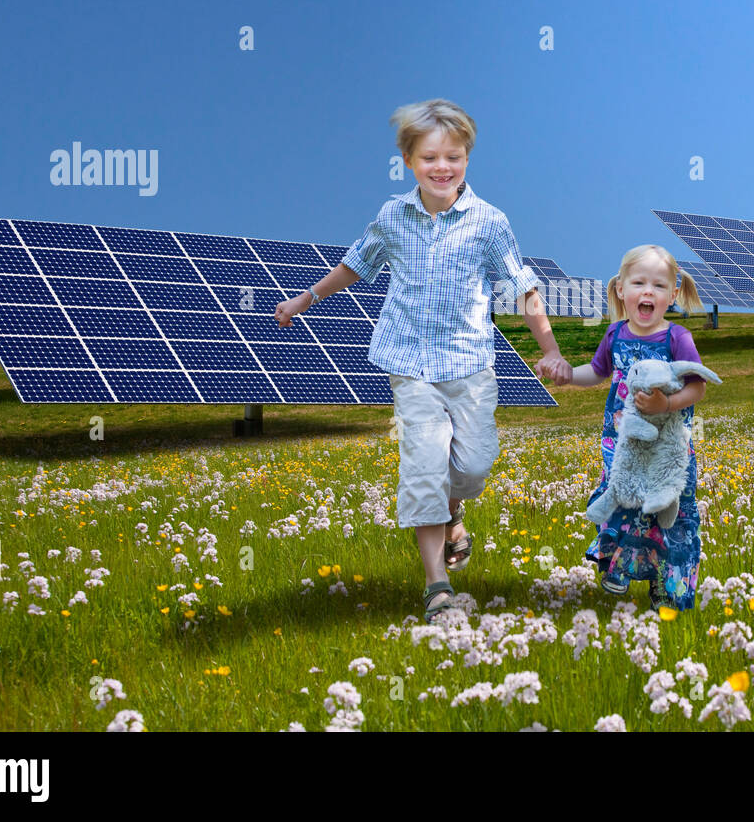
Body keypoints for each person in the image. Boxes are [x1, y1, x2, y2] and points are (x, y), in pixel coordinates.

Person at [274, 99, 572, 622]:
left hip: (470, 363)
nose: (442, 168)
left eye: (453, 157)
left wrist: (548, 347)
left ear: (467, 159)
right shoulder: (393, 215)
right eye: (430, 157)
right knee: (422, 467)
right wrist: (307, 298)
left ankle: (454, 508)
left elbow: (522, 287)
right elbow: (356, 263)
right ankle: (437, 584)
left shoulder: (488, 221)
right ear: (409, 160)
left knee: (473, 465)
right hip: (409, 363)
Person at [559, 244, 707, 612]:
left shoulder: (677, 338)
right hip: (621, 442)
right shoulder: (615, 335)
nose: (647, 292)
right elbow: (596, 372)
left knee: (669, 511)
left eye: (658, 286)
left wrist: (666, 404)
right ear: (621, 290)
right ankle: (620, 566)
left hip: (668, 447)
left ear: (672, 295)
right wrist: (566, 375)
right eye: (638, 283)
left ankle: (667, 584)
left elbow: (698, 385)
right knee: (622, 496)